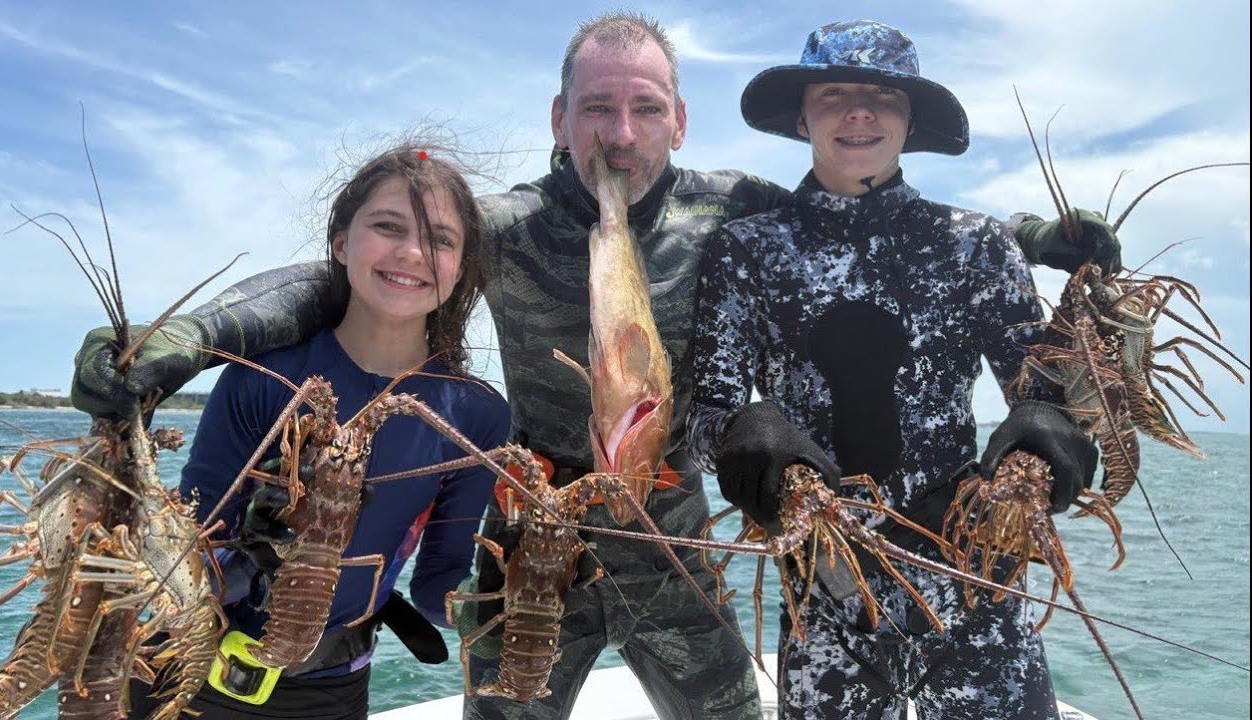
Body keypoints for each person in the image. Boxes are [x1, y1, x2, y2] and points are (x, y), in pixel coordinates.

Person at [72, 13, 1119, 720]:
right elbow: (359, 268)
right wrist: (177, 344)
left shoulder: (736, 211)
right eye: (596, 108)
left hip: (673, 531)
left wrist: (1040, 235)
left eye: (645, 108)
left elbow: (870, 214)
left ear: (678, 118)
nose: (620, 133)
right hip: (533, 530)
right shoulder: (502, 227)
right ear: (558, 118)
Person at [687, 20, 1101, 720]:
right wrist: (746, 431)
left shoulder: (977, 245)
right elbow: (703, 421)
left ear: (910, 118)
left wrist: (1043, 426)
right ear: (801, 114)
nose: (859, 111)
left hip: (972, 574)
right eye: (835, 92)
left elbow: (1044, 393)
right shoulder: (745, 250)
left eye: (883, 95)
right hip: (823, 585)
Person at [128, 143, 510, 720]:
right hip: (187, 667)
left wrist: (515, 592)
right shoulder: (262, 376)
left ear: (462, 267)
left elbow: (438, 588)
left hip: (328, 690)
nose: (412, 252)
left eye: (441, 239)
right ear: (340, 242)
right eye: (388, 226)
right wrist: (241, 553)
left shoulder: (477, 415)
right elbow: (193, 540)